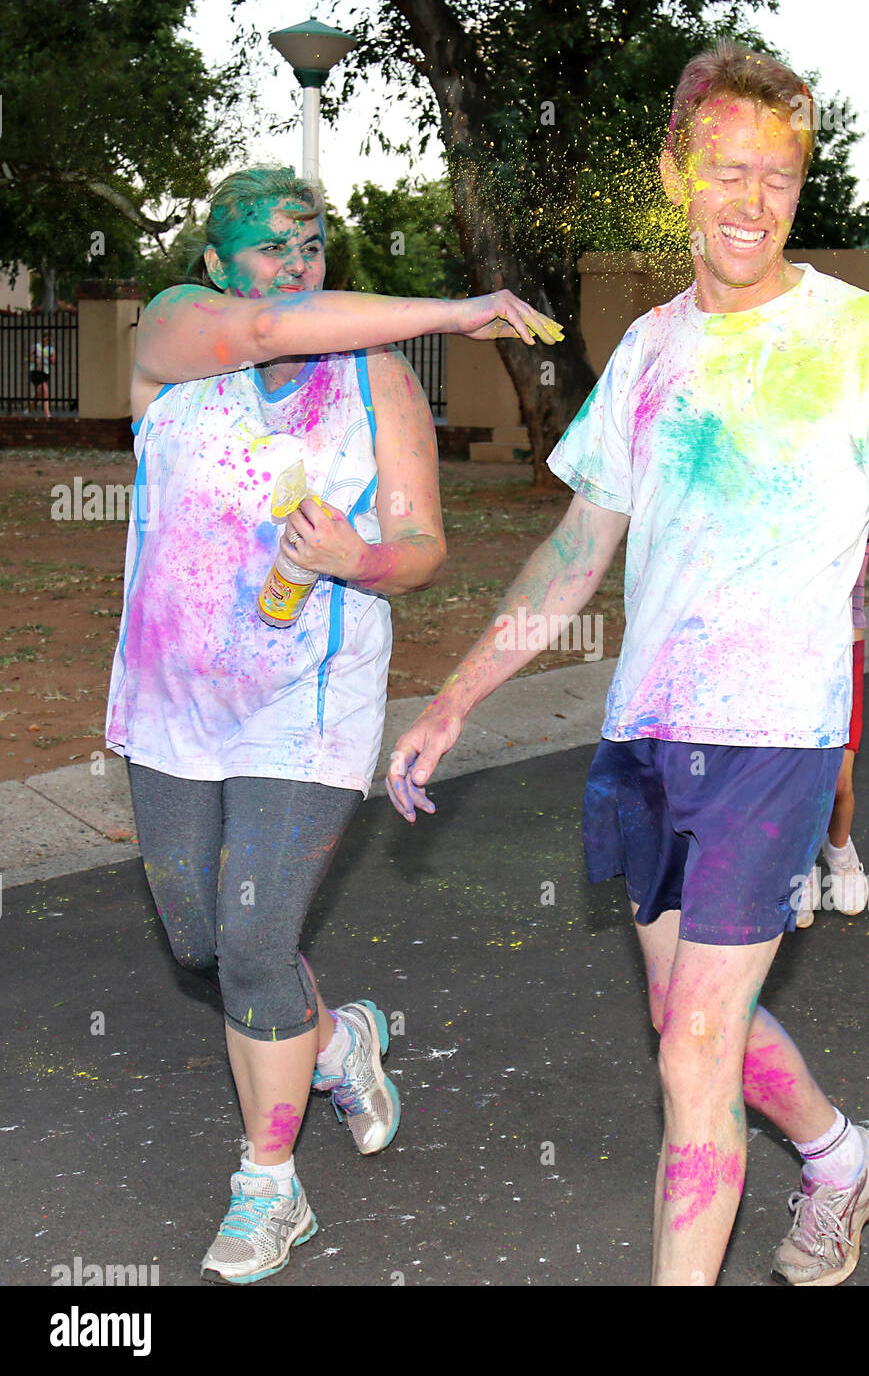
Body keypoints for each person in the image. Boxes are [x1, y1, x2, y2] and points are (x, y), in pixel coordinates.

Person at [386, 43, 869, 1287]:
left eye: (778, 177)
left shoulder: (862, 336)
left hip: (773, 742)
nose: (752, 200)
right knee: (690, 1028)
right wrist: (452, 698)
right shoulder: (649, 353)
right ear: (674, 173)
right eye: (727, 169)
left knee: (690, 1060)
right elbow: (574, 547)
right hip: (645, 739)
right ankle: (841, 1158)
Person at [106, 166, 562, 1284]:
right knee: (201, 940)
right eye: (268, 247)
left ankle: (269, 1186)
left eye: (311, 248)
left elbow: (421, 546)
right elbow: (266, 326)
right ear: (213, 265)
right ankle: (336, 1036)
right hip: (171, 704)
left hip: (305, 705)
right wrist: (464, 309)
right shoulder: (173, 338)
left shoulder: (378, 383)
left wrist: (354, 559)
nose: (294, 267)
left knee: (255, 941)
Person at [796, 495, 869, 925]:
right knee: (799, 776)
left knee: (839, 780)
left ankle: (840, 852)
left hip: (846, 652)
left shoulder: (857, 508)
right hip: (794, 653)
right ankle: (801, 864)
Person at [29, 335, 54, 415]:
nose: (47, 340)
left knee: (38, 394)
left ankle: (28, 411)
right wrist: (34, 359)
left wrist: (51, 360)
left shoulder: (51, 349)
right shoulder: (36, 347)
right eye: (46, 338)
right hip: (36, 372)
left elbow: (53, 360)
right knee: (45, 392)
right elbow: (30, 357)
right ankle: (48, 414)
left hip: (45, 372)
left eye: (49, 339)